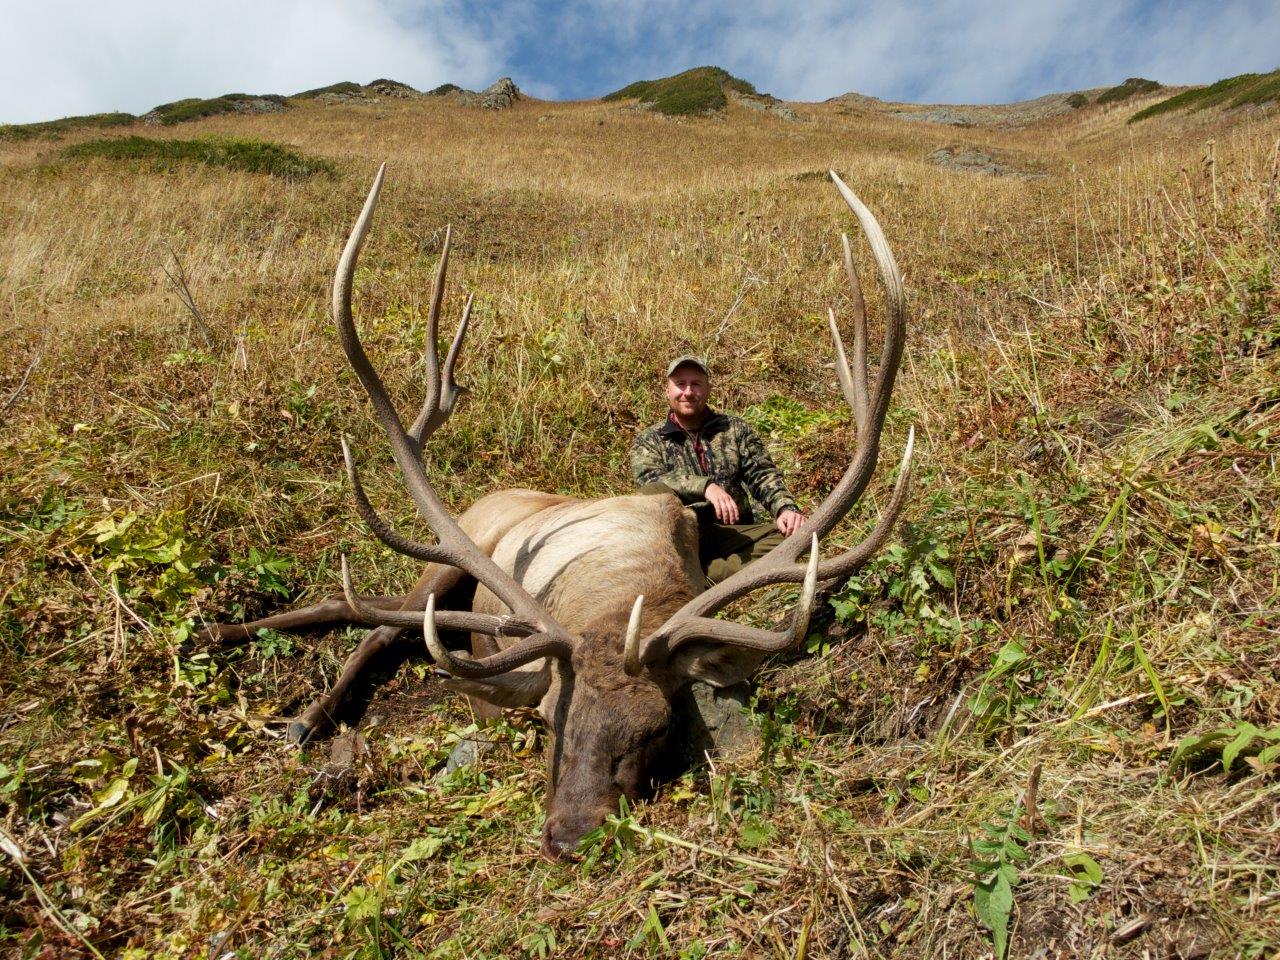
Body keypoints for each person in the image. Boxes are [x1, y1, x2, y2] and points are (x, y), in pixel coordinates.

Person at [631, 355, 807, 586]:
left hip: (733, 534)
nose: (688, 391)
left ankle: (704, 576)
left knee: (798, 538)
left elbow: (763, 475)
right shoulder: (649, 440)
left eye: (696, 384)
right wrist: (705, 487)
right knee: (651, 494)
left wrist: (785, 509)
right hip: (681, 539)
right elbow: (650, 481)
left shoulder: (734, 429)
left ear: (708, 389)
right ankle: (710, 574)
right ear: (667, 391)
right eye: (680, 384)